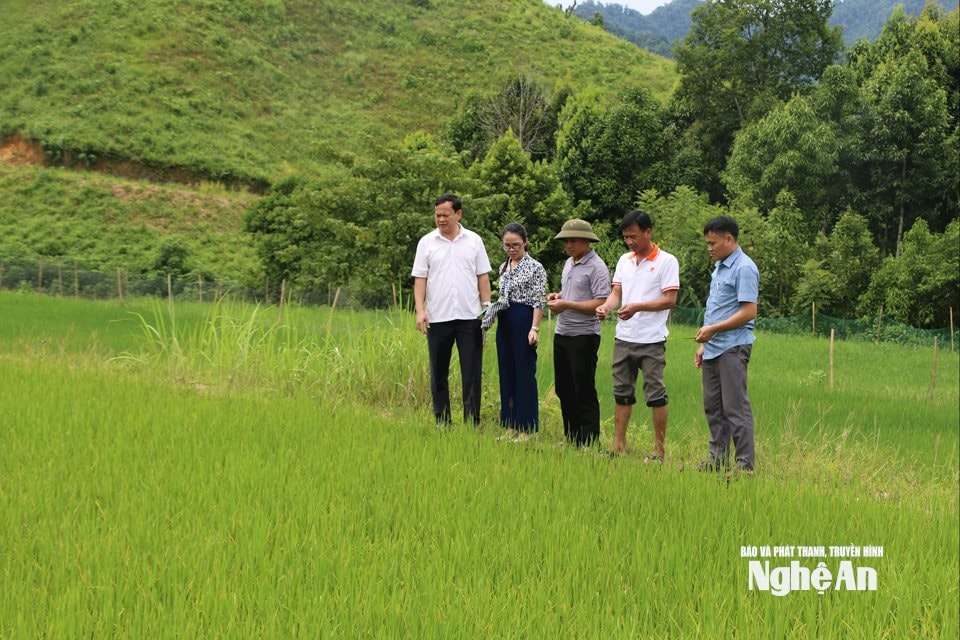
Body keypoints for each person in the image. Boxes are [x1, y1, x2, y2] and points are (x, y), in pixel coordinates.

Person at [596, 210, 679, 460]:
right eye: (625, 237)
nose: (629, 242)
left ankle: (659, 451)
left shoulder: (666, 261)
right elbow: (616, 294)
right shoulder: (624, 260)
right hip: (624, 337)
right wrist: (606, 307)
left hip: (651, 340)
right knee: (622, 393)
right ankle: (618, 445)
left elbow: (670, 300)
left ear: (647, 232)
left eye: (633, 236)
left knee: (655, 395)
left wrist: (637, 307)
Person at [412, 193, 492, 427]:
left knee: (472, 371)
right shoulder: (426, 243)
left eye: (445, 215)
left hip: (469, 317)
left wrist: (486, 308)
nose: (441, 219)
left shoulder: (474, 240)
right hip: (438, 317)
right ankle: (442, 420)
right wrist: (420, 310)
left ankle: (472, 422)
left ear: (458, 214)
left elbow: (482, 276)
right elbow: (420, 280)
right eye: (437, 215)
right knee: (438, 371)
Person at [694, 215, 759, 473]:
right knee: (713, 407)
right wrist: (704, 344)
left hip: (733, 347)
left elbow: (749, 312)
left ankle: (745, 466)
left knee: (735, 407)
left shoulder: (744, 267)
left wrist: (713, 330)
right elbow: (717, 309)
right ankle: (717, 459)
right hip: (713, 347)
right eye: (707, 243)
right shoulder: (720, 267)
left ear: (729, 239)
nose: (709, 248)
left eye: (713, 243)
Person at [547, 219, 611, 447]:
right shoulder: (568, 263)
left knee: (582, 388)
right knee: (564, 388)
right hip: (562, 332)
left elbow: (601, 302)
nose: (568, 245)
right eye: (566, 241)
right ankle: (572, 438)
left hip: (584, 336)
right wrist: (558, 296)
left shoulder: (597, 267)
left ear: (586, 241)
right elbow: (571, 292)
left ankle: (589, 441)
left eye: (573, 240)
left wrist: (568, 305)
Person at [482, 223, 547, 441]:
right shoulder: (504, 266)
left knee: (524, 373)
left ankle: (526, 428)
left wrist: (534, 328)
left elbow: (539, 300)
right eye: (507, 246)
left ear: (525, 242)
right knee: (507, 372)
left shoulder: (536, 267)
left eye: (516, 245)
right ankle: (510, 424)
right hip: (505, 321)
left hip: (523, 319)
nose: (511, 249)